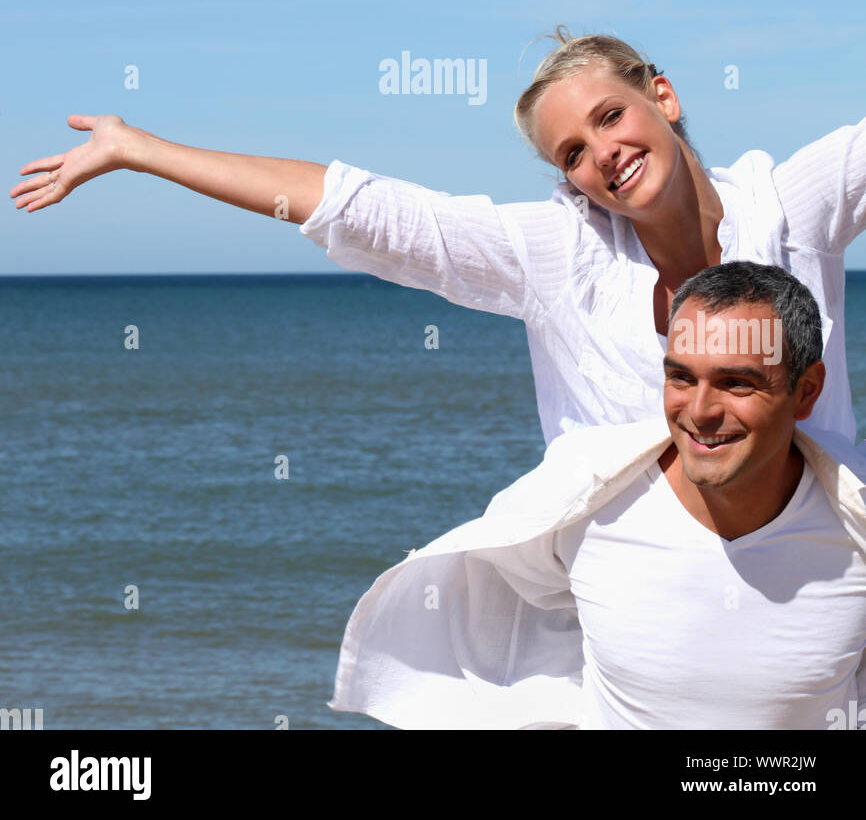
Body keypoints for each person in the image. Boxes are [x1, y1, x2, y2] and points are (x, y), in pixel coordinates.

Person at [9, 30, 866, 439]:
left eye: (612, 117)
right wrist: (141, 151)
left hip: (817, 607)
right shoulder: (557, 255)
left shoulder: (787, 207)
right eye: (573, 152)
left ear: (663, 98)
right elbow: (364, 210)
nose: (604, 154)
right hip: (634, 626)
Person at [327, 262, 866, 731]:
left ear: (806, 391)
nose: (700, 411)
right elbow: (498, 598)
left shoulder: (853, 529)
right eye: (681, 377)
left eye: (736, 383)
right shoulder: (588, 500)